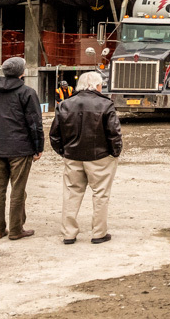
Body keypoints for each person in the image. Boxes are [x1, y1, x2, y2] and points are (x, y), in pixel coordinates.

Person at [48, 70, 122, 246]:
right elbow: (114, 133)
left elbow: (54, 134)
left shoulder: (65, 104)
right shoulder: (106, 104)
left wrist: (64, 152)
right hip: (100, 156)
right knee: (100, 194)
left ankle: (69, 234)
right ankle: (98, 233)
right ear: (97, 86)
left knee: (72, 193)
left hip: (73, 156)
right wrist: (115, 152)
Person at [0, 56, 44, 240]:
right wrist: (38, 147)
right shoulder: (27, 92)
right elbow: (34, 123)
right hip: (21, 148)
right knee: (18, 188)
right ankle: (16, 229)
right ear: (22, 72)